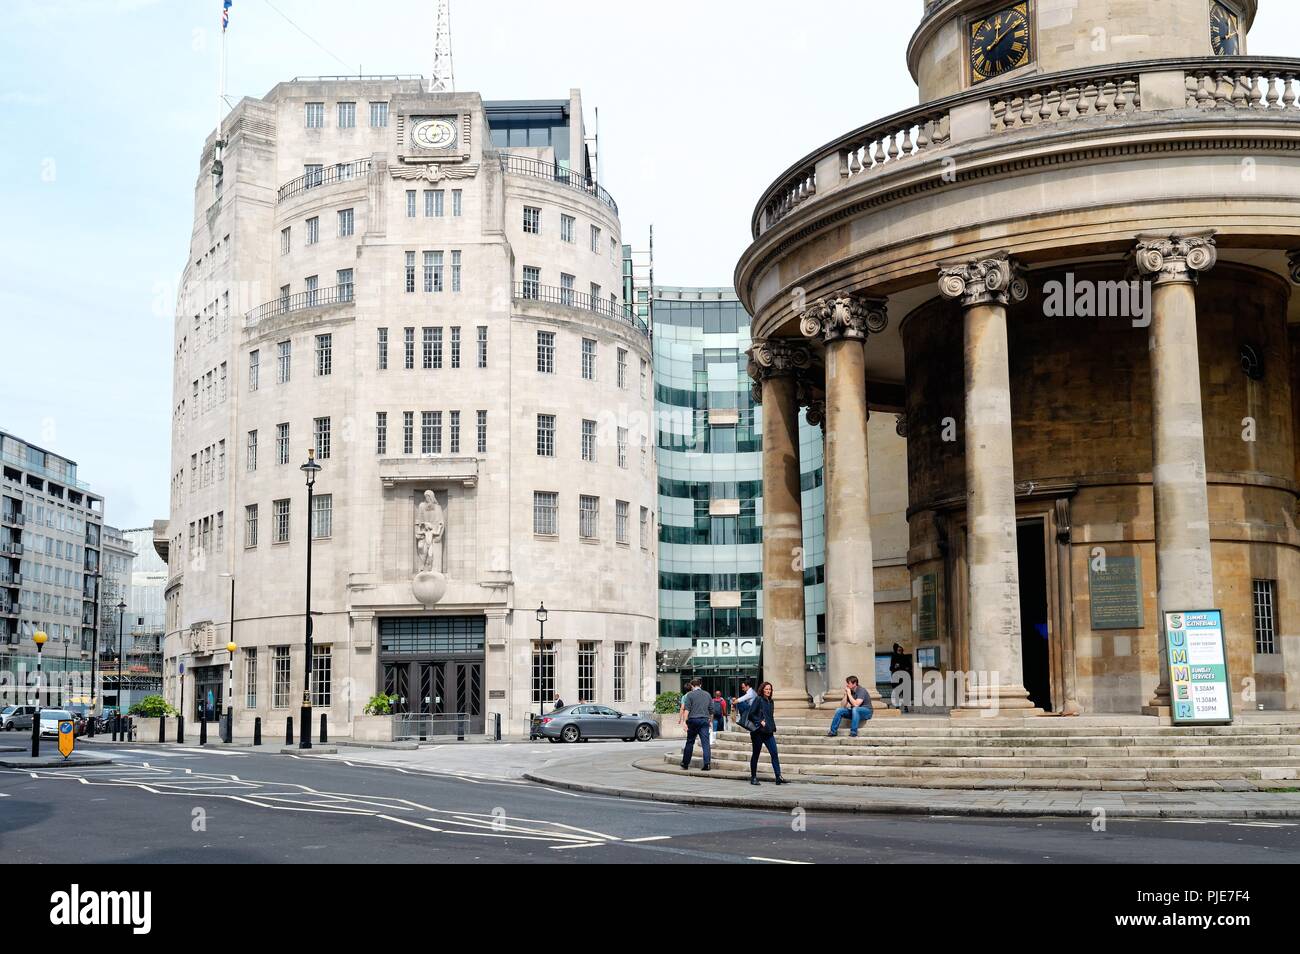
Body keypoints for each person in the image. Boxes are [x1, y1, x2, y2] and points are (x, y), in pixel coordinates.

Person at [745, 681, 785, 785]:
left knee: (774, 753)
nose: (768, 691)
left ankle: (778, 776)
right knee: (756, 754)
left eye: (769, 689)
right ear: (762, 690)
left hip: (768, 732)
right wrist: (760, 721)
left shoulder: (771, 701)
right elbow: (751, 714)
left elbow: (770, 716)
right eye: (766, 689)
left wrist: (771, 726)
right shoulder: (758, 699)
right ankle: (753, 777)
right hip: (758, 733)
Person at [678, 678, 713, 771]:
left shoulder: (690, 695)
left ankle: (685, 763)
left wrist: (685, 722)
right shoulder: (707, 694)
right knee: (705, 743)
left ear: (692, 686)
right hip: (704, 720)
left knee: (690, 742)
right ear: (700, 685)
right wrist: (710, 721)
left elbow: (687, 710)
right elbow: (711, 710)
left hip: (693, 720)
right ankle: (707, 764)